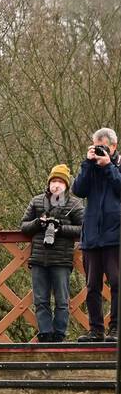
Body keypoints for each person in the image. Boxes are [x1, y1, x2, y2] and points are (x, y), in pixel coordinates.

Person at [20, 165, 84, 342]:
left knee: (62, 300)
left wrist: (61, 228)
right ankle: (45, 333)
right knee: (40, 300)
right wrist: (38, 223)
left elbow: (84, 228)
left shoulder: (74, 204)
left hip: (62, 259)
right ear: (48, 183)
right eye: (54, 181)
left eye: (60, 182)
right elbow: (24, 226)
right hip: (38, 258)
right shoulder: (37, 201)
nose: (56, 185)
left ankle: (59, 334)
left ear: (67, 185)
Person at [72, 127, 121, 341]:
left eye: (104, 147)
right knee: (92, 286)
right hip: (92, 235)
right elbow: (78, 190)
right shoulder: (90, 167)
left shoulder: (118, 166)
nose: (100, 150)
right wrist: (87, 163)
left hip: (115, 235)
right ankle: (96, 330)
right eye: (96, 146)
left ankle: (116, 329)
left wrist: (109, 166)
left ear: (114, 147)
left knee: (117, 283)